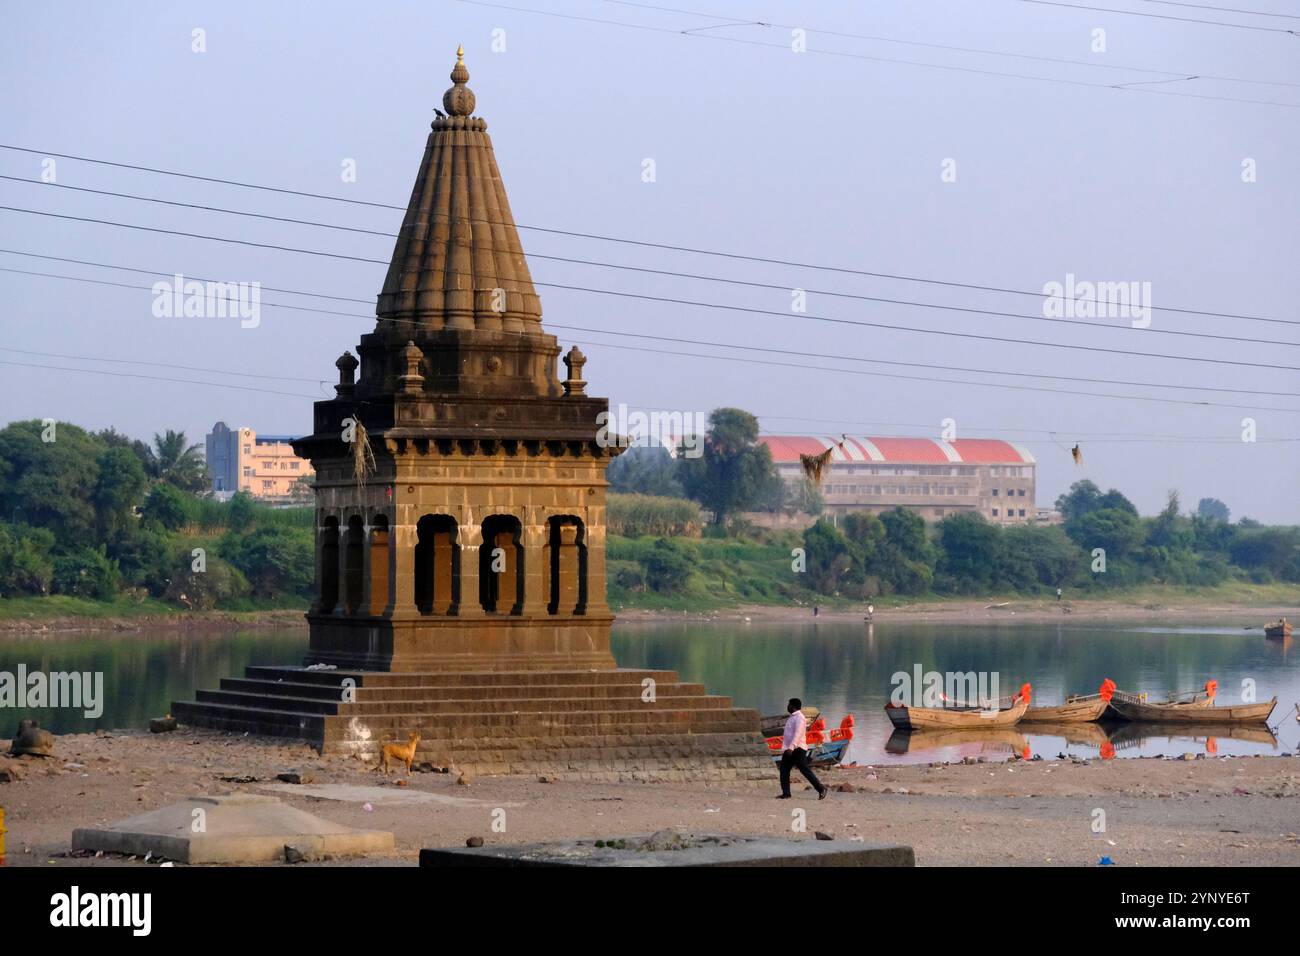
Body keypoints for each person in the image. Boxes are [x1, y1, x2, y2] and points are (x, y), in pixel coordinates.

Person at [776, 697, 828, 800]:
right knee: (784, 769)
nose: (788, 707)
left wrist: (791, 747)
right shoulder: (792, 717)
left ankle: (821, 788)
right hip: (789, 748)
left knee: (804, 769)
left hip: (797, 748)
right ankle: (786, 793)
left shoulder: (800, 717)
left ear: (793, 706)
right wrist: (787, 748)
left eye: (789, 705)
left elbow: (798, 734)